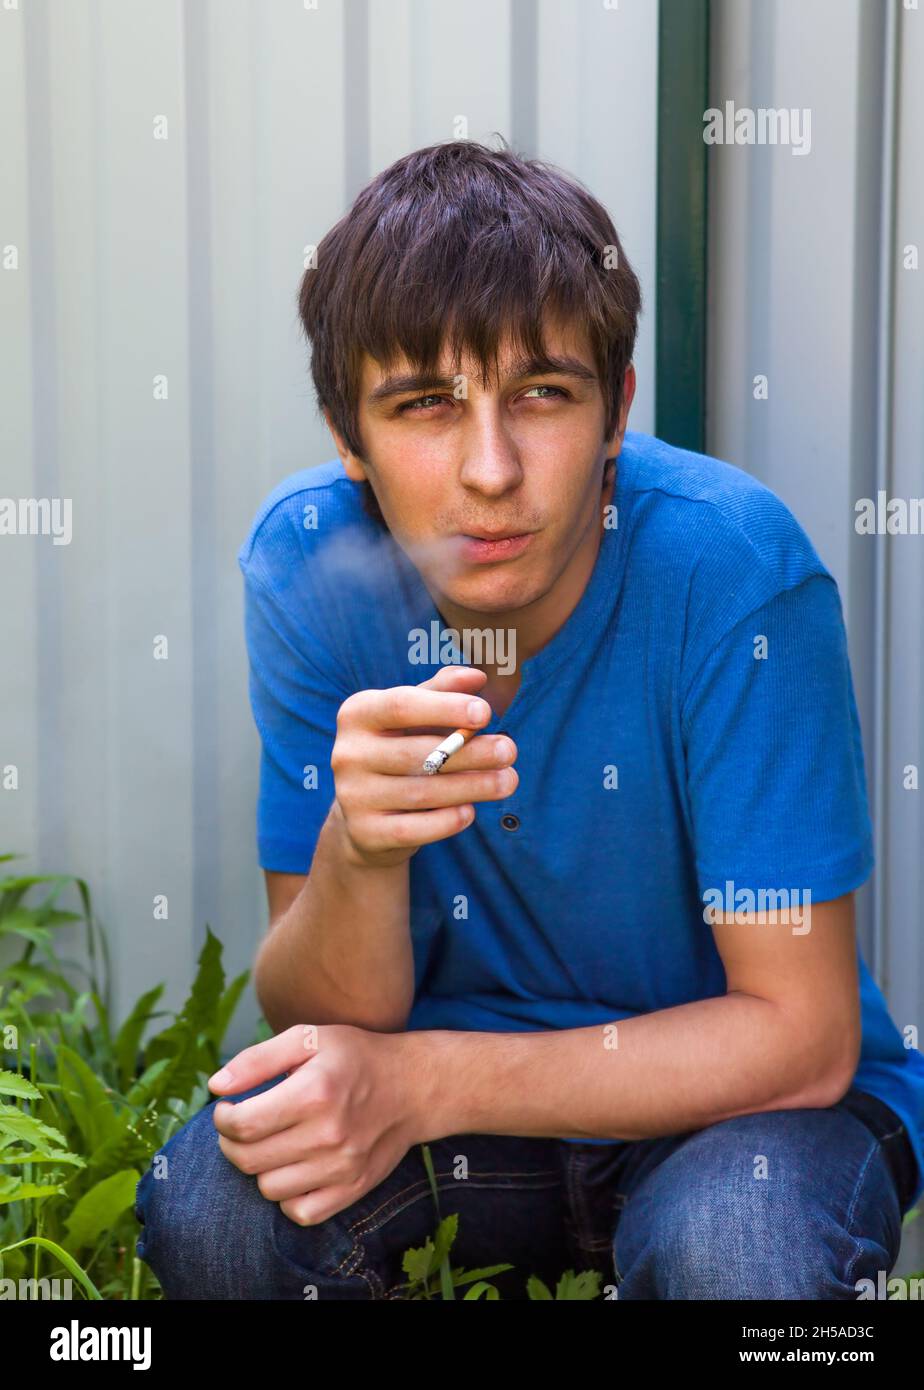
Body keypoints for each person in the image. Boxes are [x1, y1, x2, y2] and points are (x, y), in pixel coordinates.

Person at [134, 139, 923, 1300]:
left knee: (737, 1251)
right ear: (347, 437)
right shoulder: (311, 565)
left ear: (617, 412)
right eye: (425, 404)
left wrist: (428, 1083)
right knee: (211, 1201)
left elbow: (801, 1040)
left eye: (542, 393)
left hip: (737, 1111)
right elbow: (318, 1011)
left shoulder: (733, 572)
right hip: (469, 1127)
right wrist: (359, 851)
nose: (491, 470)